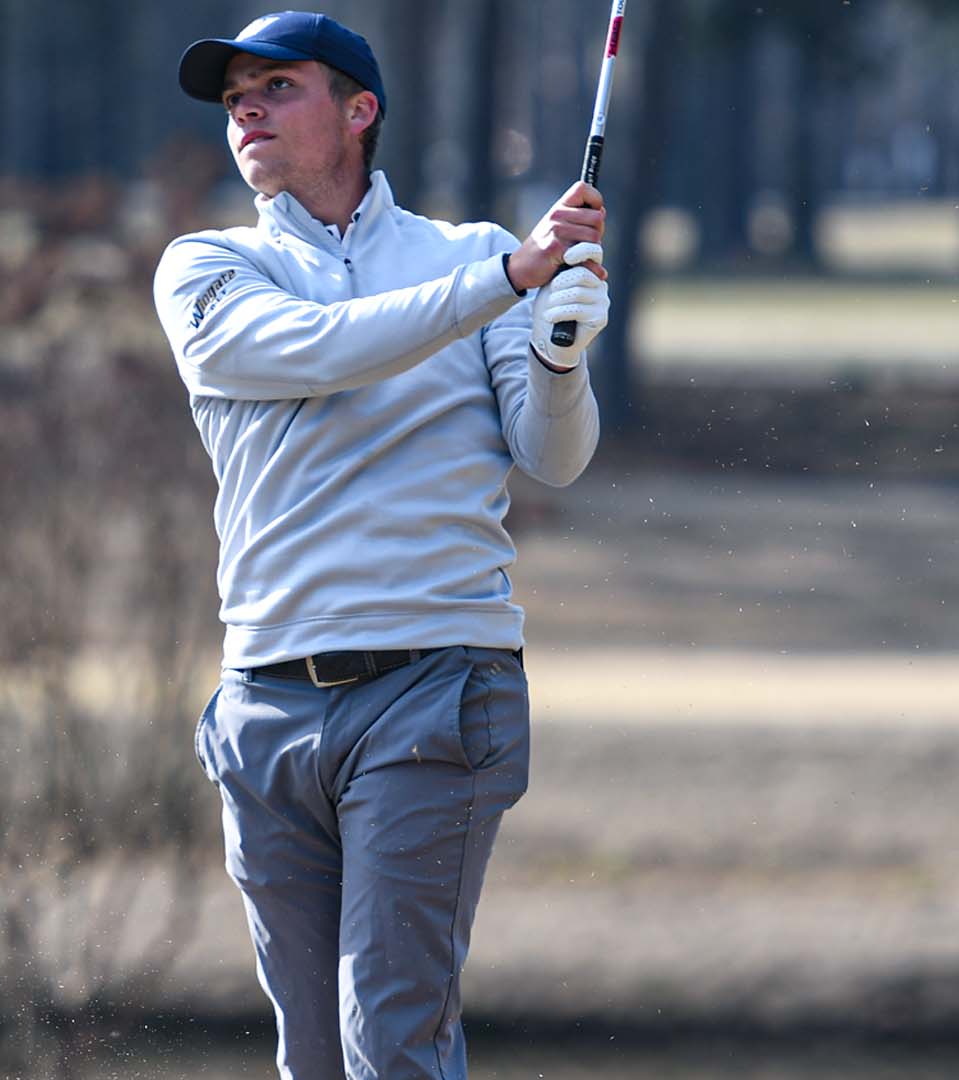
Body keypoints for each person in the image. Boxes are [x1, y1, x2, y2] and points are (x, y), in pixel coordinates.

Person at [151, 11, 610, 1079]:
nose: (248, 112)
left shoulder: (474, 256)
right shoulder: (205, 269)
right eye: (235, 102)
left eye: (278, 88)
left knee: (390, 1040)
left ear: (360, 111)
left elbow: (554, 457)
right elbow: (322, 352)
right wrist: (511, 283)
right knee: (313, 1056)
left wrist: (558, 351)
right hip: (265, 700)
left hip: (434, 686)